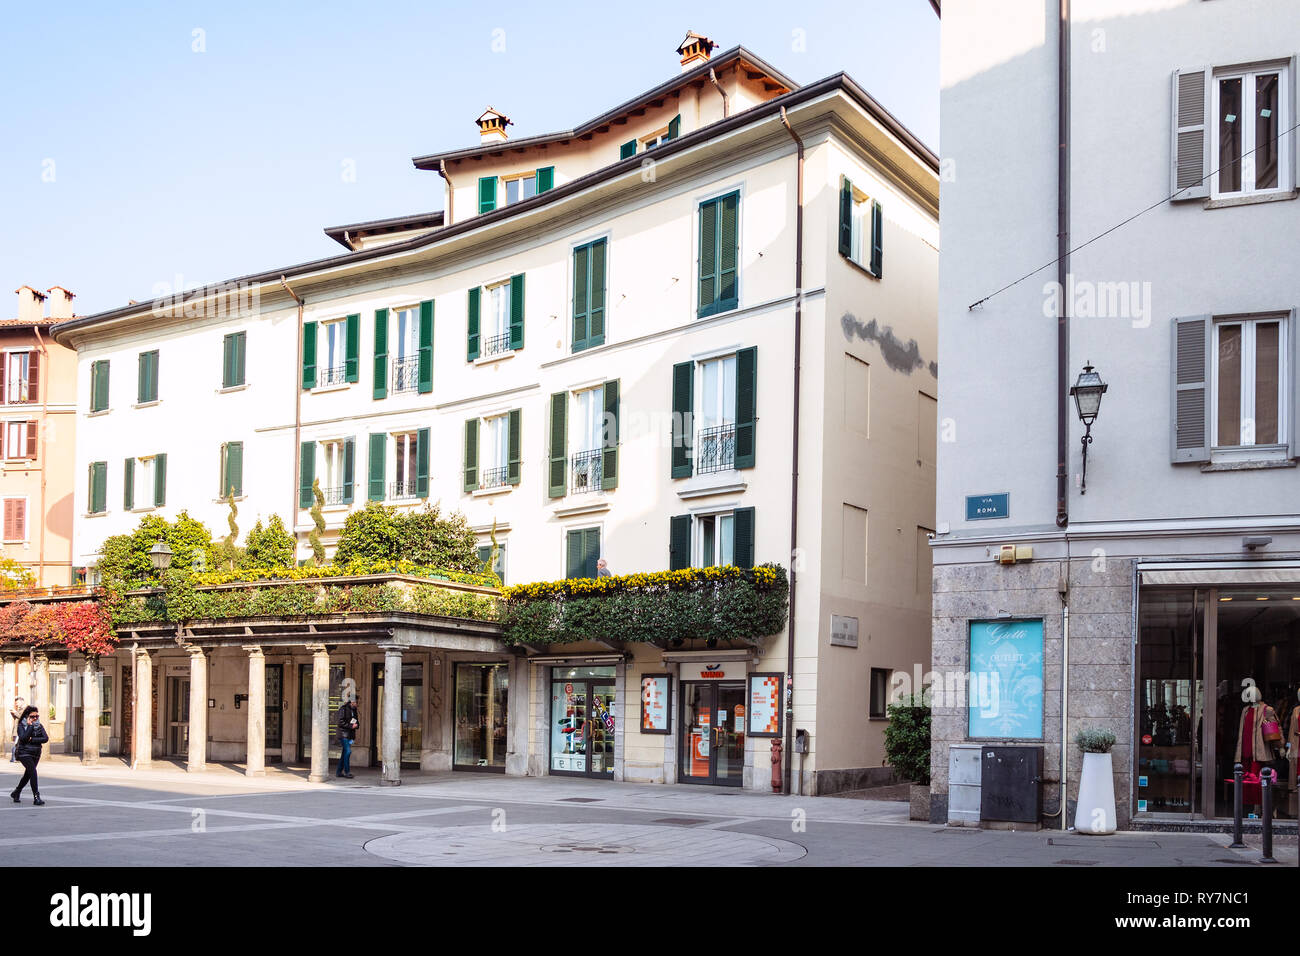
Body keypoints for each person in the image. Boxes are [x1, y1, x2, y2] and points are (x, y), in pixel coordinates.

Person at [11, 705, 48, 806]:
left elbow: (45, 738)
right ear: (27, 717)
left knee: (28, 774)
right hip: (24, 753)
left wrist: (32, 740)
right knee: (33, 772)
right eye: (32, 716)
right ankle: (36, 797)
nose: (35, 718)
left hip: (36, 754)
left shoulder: (40, 726)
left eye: (36, 716)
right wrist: (30, 726)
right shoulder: (21, 726)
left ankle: (16, 792)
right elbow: (23, 738)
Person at [336, 695, 358, 779]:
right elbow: (340, 722)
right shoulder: (343, 709)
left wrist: (356, 725)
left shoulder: (354, 710)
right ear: (351, 702)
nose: (356, 703)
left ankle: (338, 772)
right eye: (355, 702)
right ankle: (347, 772)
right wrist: (350, 726)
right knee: (348, 752)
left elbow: (356, 721)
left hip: (350, 735)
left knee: (344, 753)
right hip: (343, 734)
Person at [9, 697, 24, 763]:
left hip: (19, 730)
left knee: (17, 744)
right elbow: (17, 718)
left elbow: (22, 717)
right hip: (16, 730)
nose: (16, 704)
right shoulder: (19, 709)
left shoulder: (24, 709)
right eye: (16, 703)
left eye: (17, 703)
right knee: (16, 744)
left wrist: (15, 712)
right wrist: (13, 714)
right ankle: (14, 758)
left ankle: (14, 758)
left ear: (21, 701)